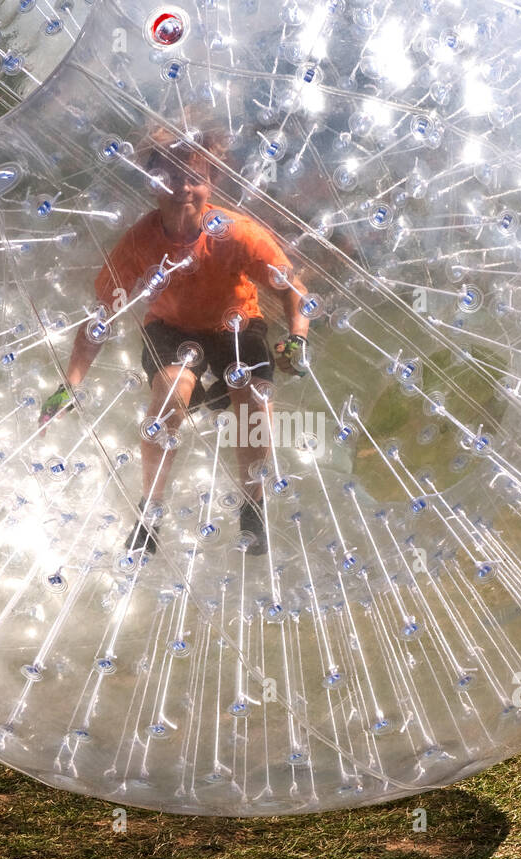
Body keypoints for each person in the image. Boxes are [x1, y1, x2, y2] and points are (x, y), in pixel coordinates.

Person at [39, 126, 311, 556]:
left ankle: (252, 506)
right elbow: (101, 317)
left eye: (194, 177)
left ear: (212, 182)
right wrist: (68, 385)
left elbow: (293, 291)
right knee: (171, 397)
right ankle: (150, 513)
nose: (183, 188)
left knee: (255, 400)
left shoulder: (238, 233)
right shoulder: (137, 245)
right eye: (169, 177)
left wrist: (297, 339)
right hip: (169, 329)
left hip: (237, 325)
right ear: (152, 183)